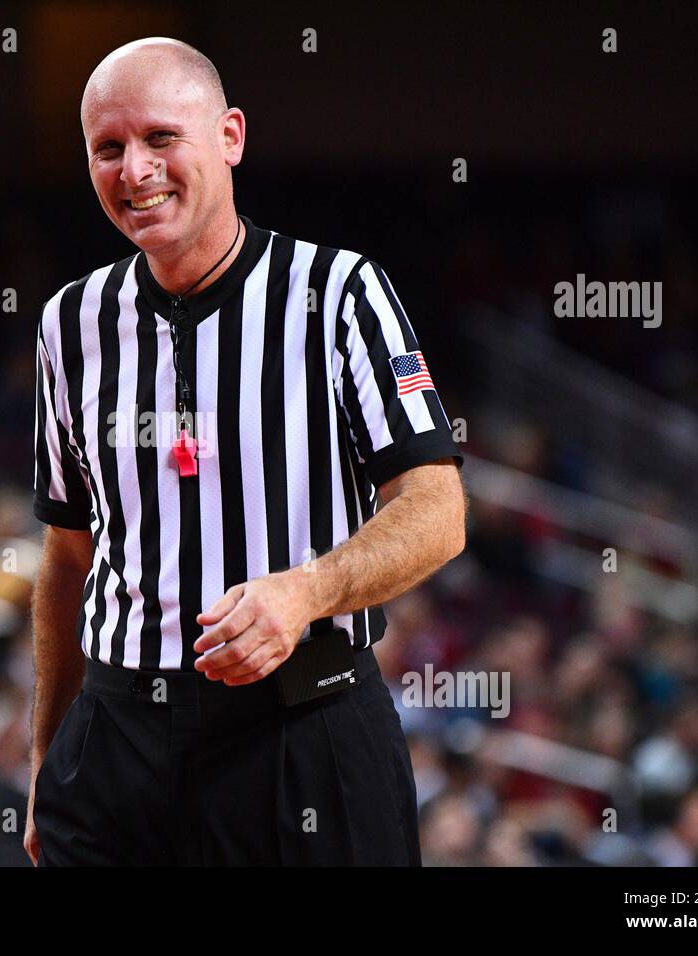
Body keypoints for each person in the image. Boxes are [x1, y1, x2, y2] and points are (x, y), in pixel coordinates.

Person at [26, 37, 466, 866]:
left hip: (301, 729)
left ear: (229, 137)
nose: (135, 170)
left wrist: (305, 592)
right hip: (114, 742)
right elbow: (65, 557)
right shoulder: (69, 323)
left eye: (161, 139)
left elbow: (437, 510)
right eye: (107, 149)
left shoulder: (340, 293)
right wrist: (47, 762)